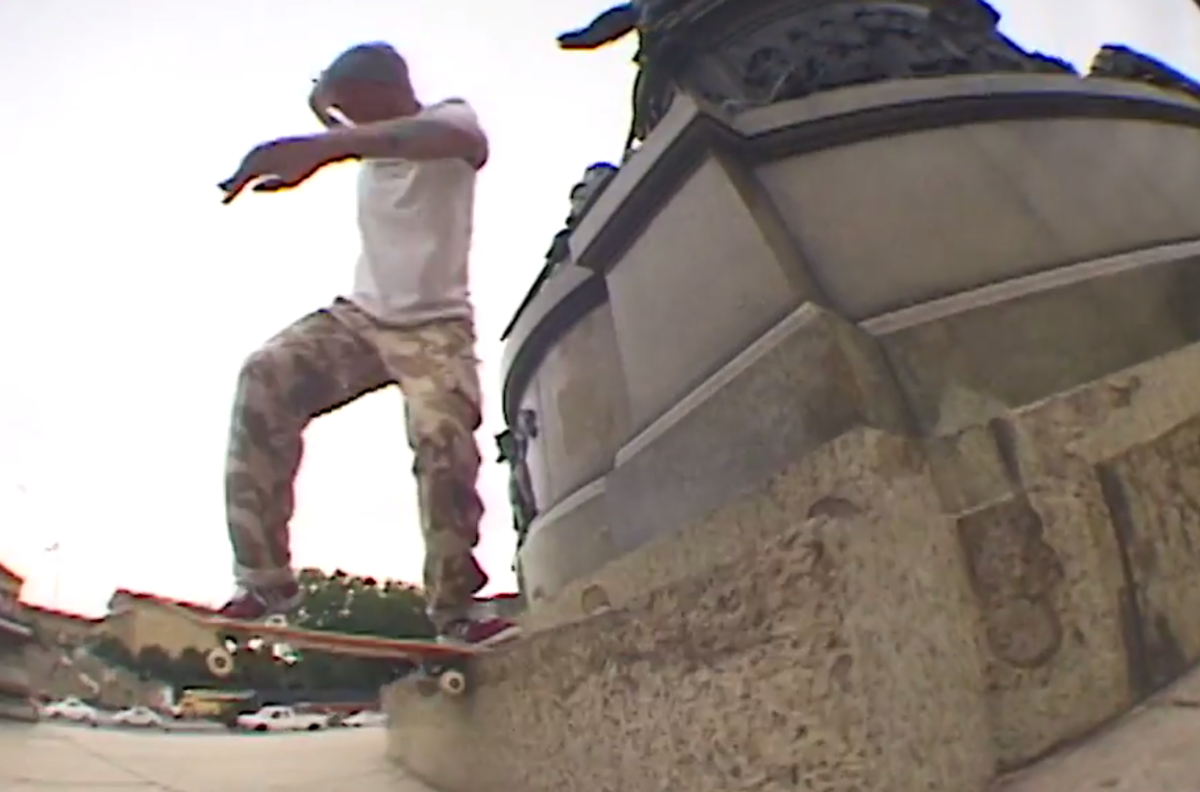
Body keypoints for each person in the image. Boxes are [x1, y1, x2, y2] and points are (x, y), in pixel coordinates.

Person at [215, 42, 517, 646]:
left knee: (443, 440)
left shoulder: (451, 123)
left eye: (358, 110)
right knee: (265, 374)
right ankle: (265, 579)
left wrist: (324, 148)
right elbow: (333, 115)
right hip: (360, 319)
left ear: (391, 91)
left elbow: (452, 141)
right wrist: (320, 107)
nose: (352, 125)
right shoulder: (359, 133)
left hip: (436, 329)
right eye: (342, 114)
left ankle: (455, 606)